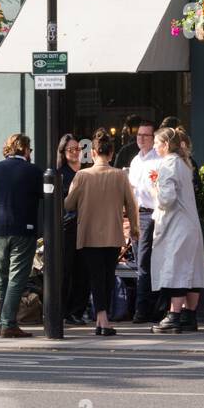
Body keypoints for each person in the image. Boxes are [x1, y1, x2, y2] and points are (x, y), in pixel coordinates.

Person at [63, 129, 140, 336]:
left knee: (95, 277)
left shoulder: (82, 176)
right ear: (112, 152)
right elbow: (132, 206)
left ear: (94, 153)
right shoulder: (120, 175)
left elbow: (68, 204)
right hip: (113, 234)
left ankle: (102, 318)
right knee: (106, 276)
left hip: (88, 234)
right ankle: (102, 320)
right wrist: (134, 229)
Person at [149, 126, 204, 334]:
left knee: (177, 269)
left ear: (165, 145)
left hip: (177, 226)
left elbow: (167, 199)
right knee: (192, 270)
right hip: (190, 224)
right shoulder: (183, 163)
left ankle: (173, 316)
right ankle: (189, 316)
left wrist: (154, 188)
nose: (154, 147)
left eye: (156, 143)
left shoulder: (168, 164)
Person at [0, 133, 43, 338]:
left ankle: (3, 321)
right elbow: (44, 194)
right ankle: (8, 322)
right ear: (26, 150)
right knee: (17, 277)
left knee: (1, 277)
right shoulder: (32, 170)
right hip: (23, 228)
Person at [125, 119, 160, 323]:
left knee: (144, 262)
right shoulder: (136, 160)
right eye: (138, 135)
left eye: (145, 135)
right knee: (140, 261)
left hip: (150, 214)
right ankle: (146, 307)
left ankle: (142, 309)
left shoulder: (158, 160)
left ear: (153, 138)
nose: (140, 138)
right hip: (137, 214)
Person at [57, 133, 91, 325]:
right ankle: (65, 311)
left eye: (78, 149)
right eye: (71, 149)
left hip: (86, 226)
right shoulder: (60, 173)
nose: (75, 152)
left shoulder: (86, 172)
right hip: (68, 227)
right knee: (67, 269)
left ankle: (78, 310)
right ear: (63, 152)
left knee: (83, 270)